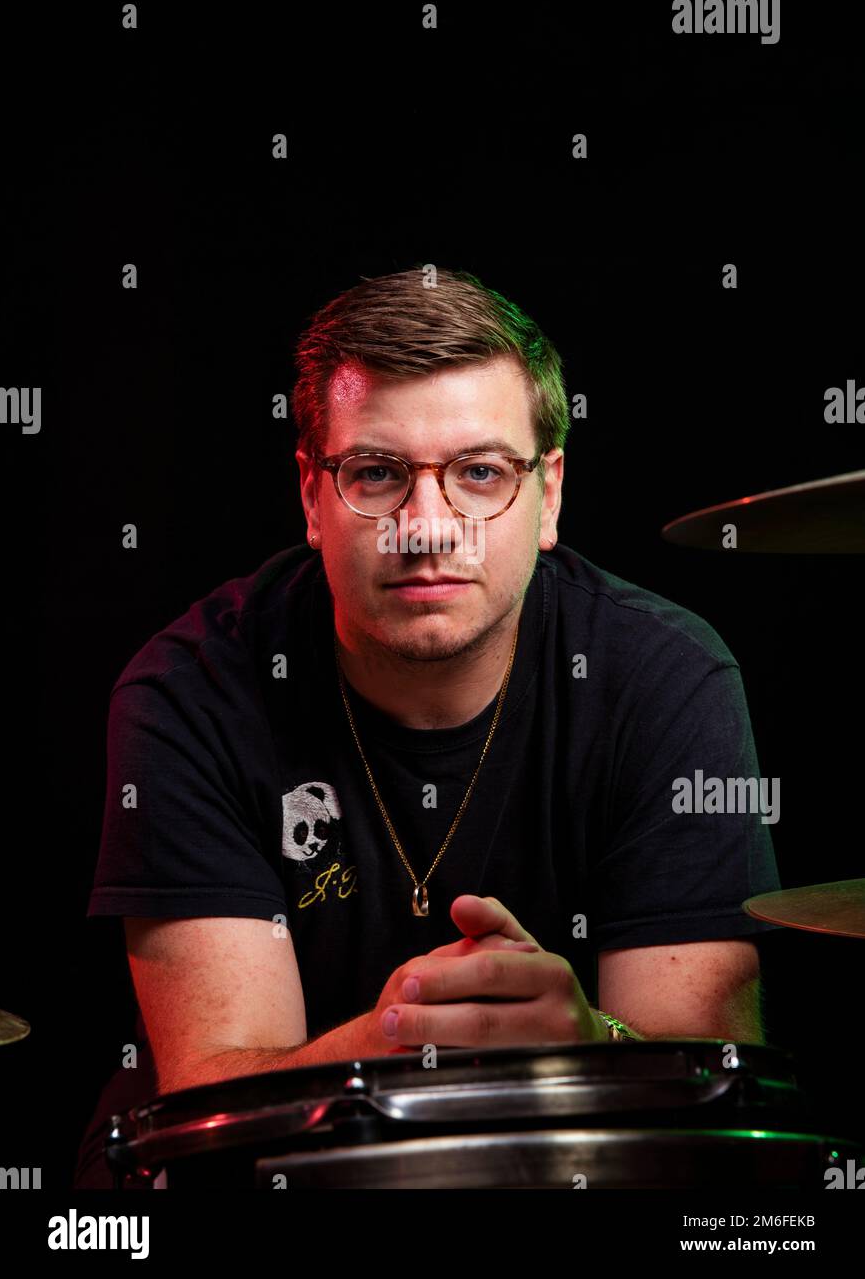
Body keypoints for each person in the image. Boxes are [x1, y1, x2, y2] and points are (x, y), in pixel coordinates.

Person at [74, 266, 781, 1187]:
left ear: (550, 495)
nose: (426, 528)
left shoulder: (665, 679)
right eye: (376, 474)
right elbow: (214, 1097)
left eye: (480, 474)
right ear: (310, 496)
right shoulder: (190, 689)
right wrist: (401, 1042)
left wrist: (590, 1044)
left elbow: (717, 1108)